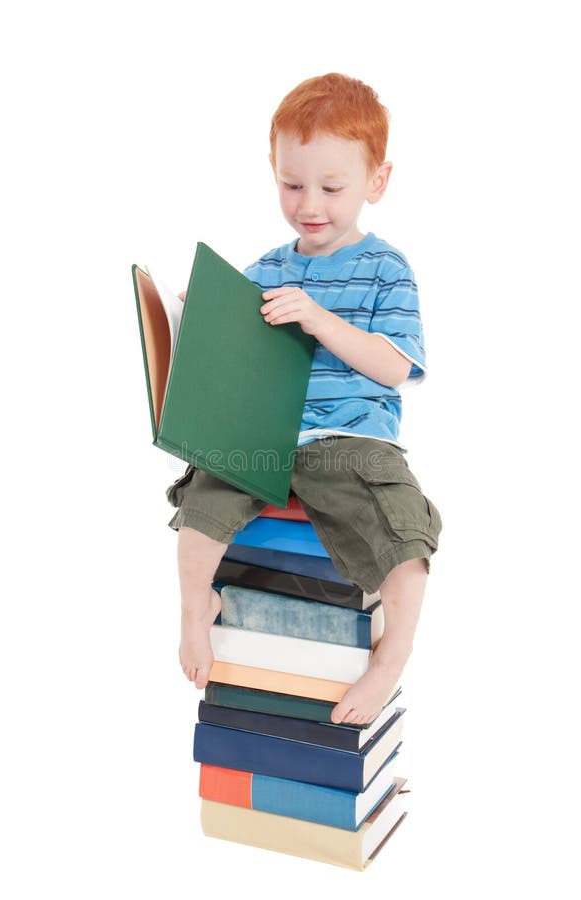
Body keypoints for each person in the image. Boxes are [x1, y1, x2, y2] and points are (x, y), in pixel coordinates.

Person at [166, 72, 442, 726]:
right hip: (264, 437)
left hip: (349, 441)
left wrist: (319, 319)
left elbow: (395, 366)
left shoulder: (385, 268)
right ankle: (195, 610)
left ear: (376, 182)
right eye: (292, 185)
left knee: (407, 538)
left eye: (331, 188)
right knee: (200, 506)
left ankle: (392, 655)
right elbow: (231, 363)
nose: (309, 204)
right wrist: (201, 319)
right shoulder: (265, 269)